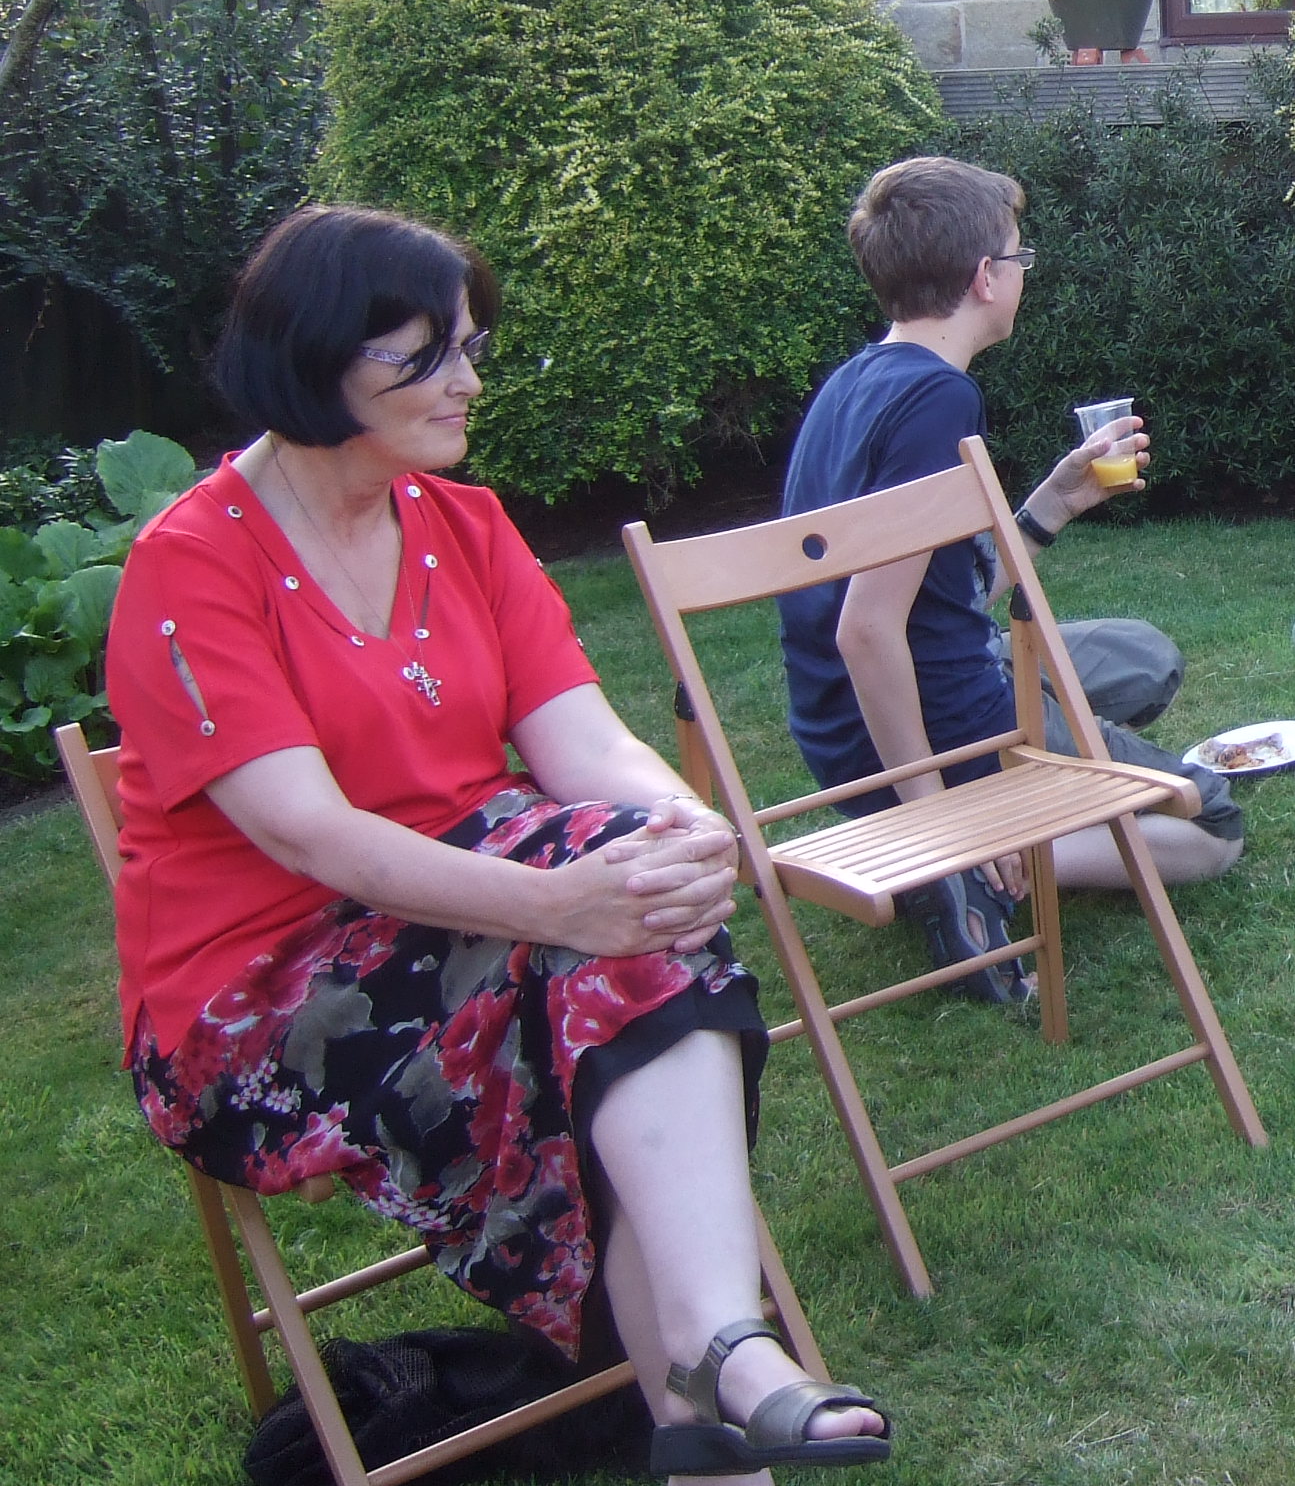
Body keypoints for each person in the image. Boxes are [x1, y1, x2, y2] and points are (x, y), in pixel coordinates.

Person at [107, 206, 891, 1483]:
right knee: (603, 940)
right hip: (259, 994)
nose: (470, 382)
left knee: (624, 904)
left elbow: (586, 746)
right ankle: (719, 1356)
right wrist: (570, 905)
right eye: (428, 357)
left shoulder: (462, 525)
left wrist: (678, 823)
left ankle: (712, 1374)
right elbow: (313, 839)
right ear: (318, 362)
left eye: (471, 349)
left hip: (474, 916)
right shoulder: (191, 564)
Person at [776, 156, 1244, 994]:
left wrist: (1050, 504)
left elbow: (937, 595)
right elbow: (866, 627)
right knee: (1212, 822)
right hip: (944, 721)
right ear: (984, 278)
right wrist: (937, 818)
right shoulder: (937, 405)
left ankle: (979, 833)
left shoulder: (852, 385)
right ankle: (974, 861)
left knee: (1143, 657)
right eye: (1020, 258)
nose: (1025, 273)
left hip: (841, 729)